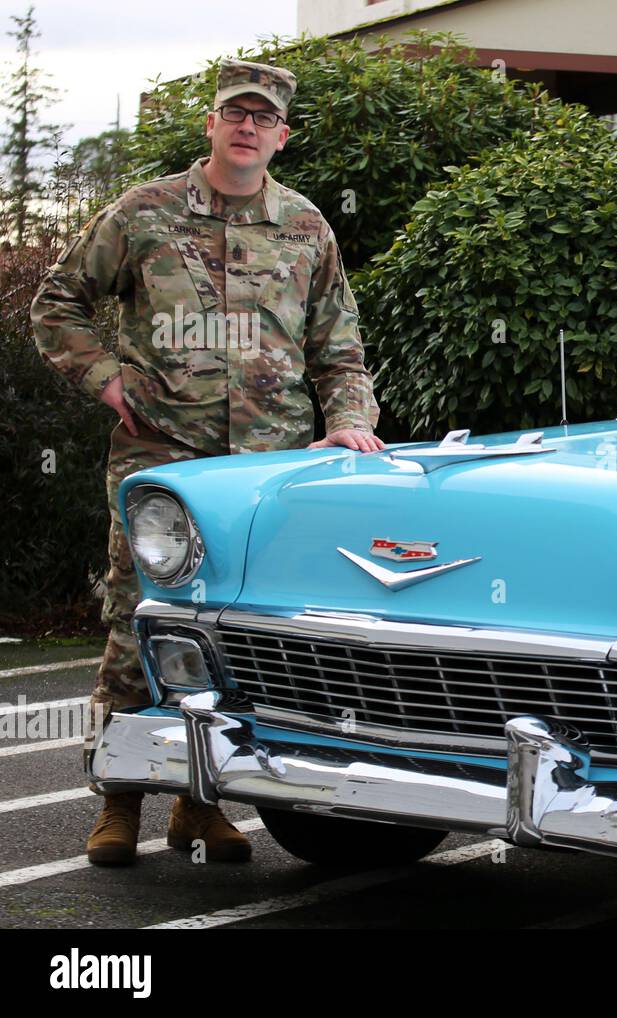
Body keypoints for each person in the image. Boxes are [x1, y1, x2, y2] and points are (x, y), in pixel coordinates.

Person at [31, 59, 384, 866]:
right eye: (235, 114)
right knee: (136, 627)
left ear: (282, 135)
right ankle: (118, 801)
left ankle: (204, 804)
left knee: (247, 637)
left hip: (268, 475)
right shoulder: (143, 212)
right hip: (164, 462)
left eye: (263, 118)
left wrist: (350, 423)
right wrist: (107, 379)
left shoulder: (305, 227)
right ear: (213, 123)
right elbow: (57, 303)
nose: (248, 127)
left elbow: (341, 349)